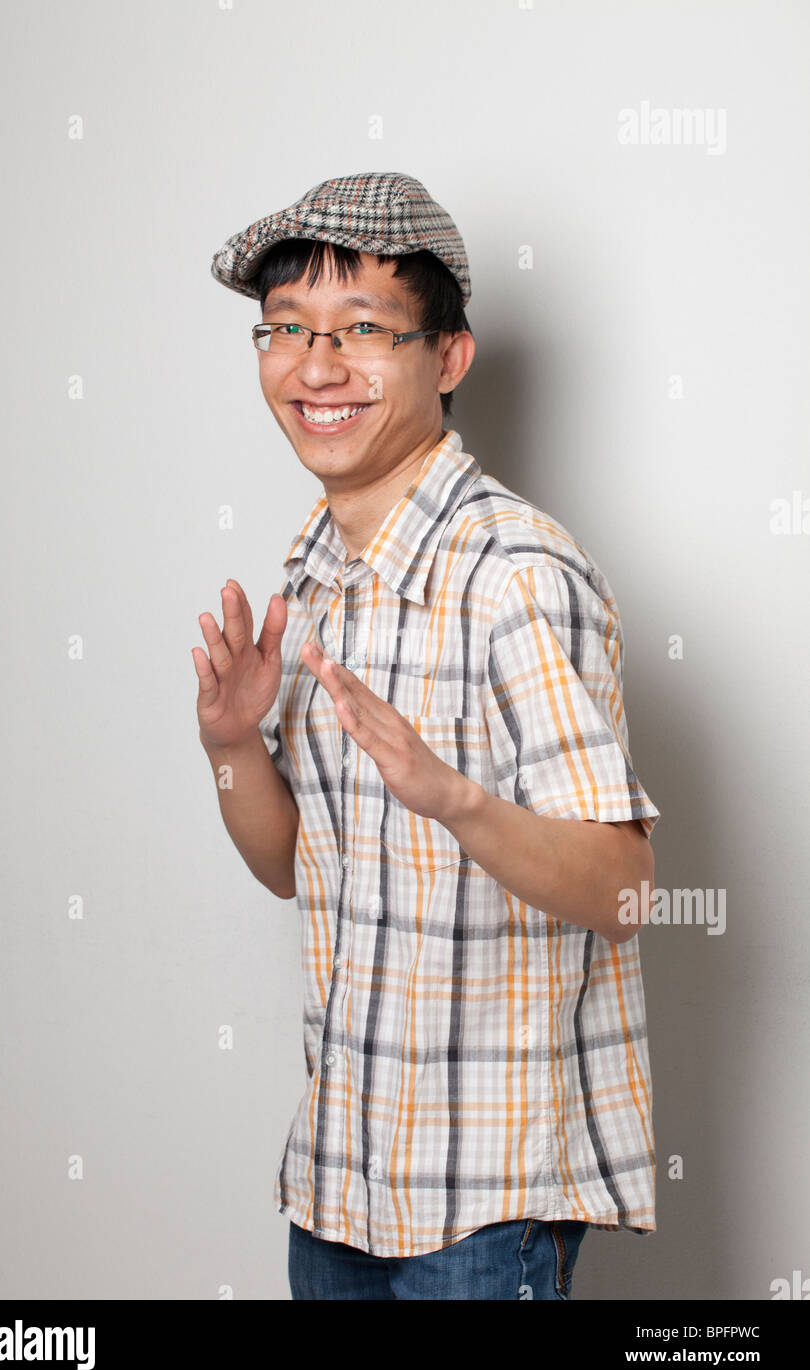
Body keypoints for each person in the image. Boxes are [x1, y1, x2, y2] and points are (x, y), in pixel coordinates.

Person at [193, 172, 660, 1301]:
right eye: (288, 330)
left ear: (447, 358)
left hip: (482, 1210)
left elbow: (623, 886)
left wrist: (454, 797)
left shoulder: (511, 575)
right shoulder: (321, 569)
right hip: (339, 1184)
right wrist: (234, 746)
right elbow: (297, 873)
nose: (316, 366)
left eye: (361, 330)